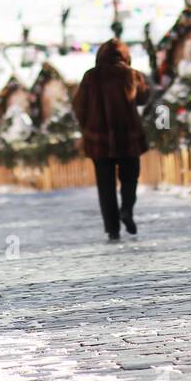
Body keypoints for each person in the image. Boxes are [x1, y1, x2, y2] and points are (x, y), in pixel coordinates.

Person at [71, 39, 151, 242]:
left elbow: (79, 105)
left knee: (105, 186)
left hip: (98, 140)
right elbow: (143, 98)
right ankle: (127, 210)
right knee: (130, 179)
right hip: (129, 138)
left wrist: (87, 126)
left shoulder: (90, 76)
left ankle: (112, 229)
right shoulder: (132, 75)